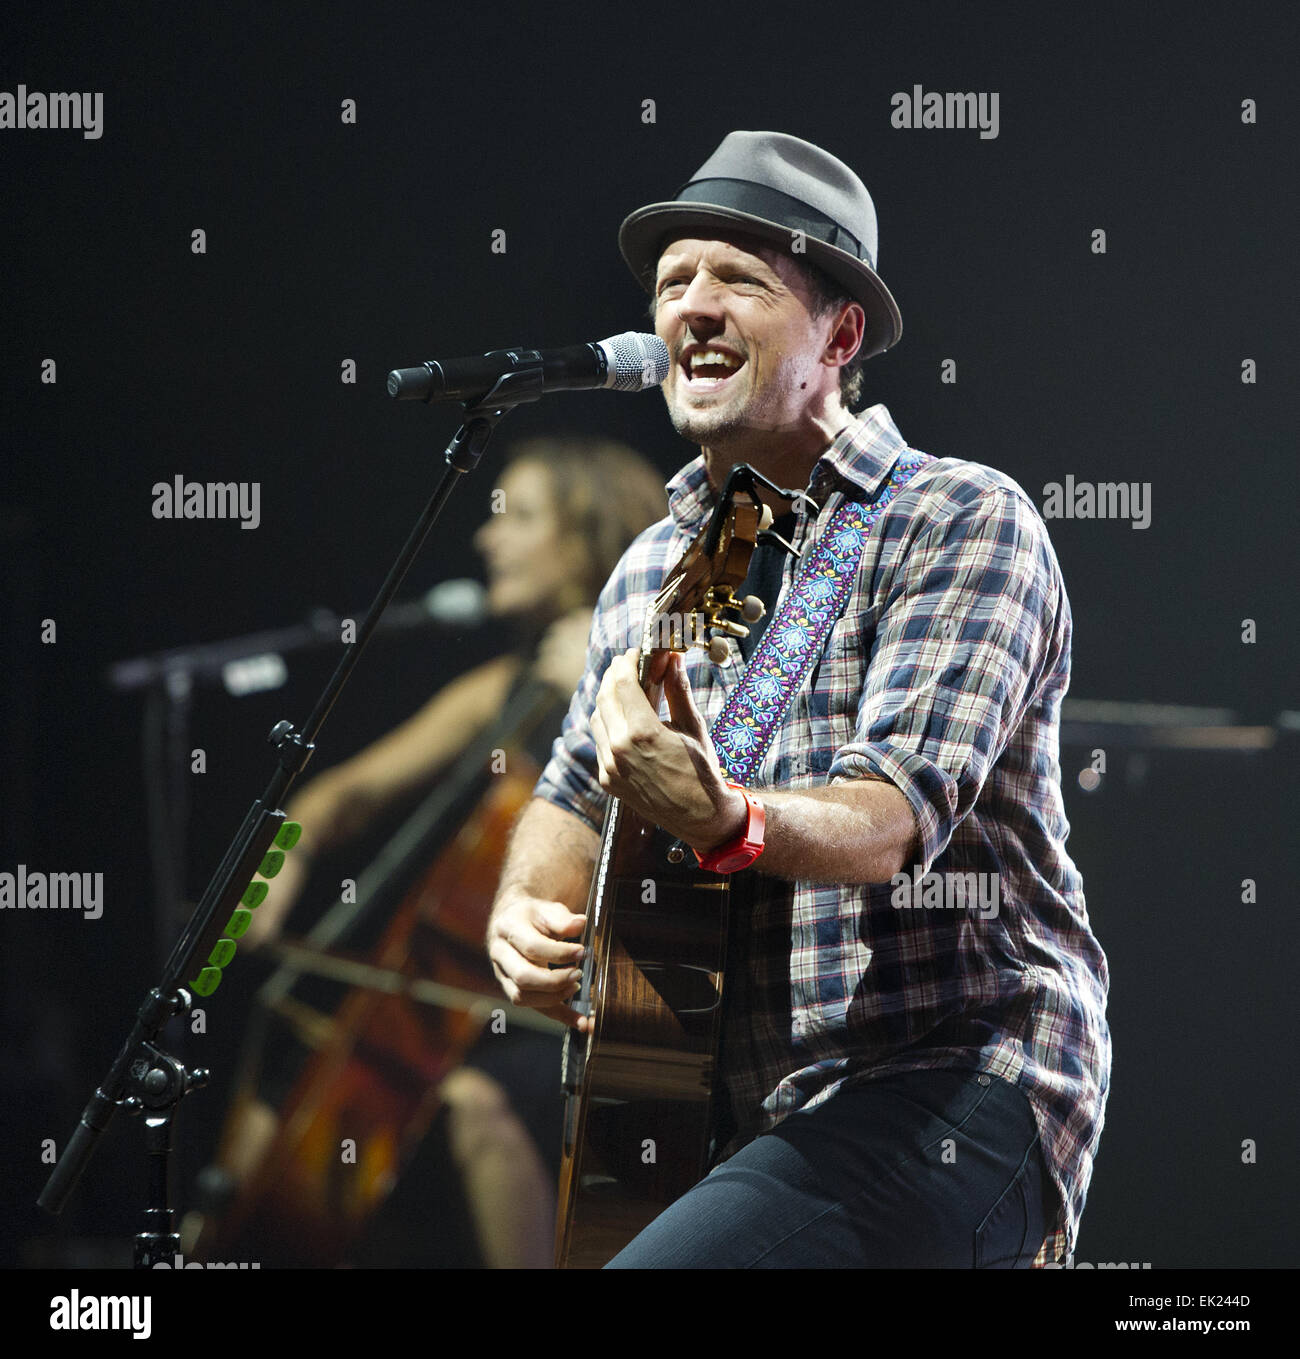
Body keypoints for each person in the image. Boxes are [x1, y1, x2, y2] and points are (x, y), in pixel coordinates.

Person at [485, 131, 1111, 1268]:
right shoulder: (653, 569)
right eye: (673, 282)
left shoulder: (955, 519)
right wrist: (524, 904)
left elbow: (891, 818)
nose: (692, 306)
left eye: (739, 279)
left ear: (840, 336)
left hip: (946, 1079)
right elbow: (572, 793)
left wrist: (727, 818)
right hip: (712, 1114)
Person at [206, 435, 667, 1268]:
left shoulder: (662, 675)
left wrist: (601, 681)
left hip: (596, 1012)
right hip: (473, 1011)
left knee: (477, 1102)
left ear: (586, 538)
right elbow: (336, 798)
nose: (488, 537)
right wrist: (282, 868)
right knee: (282, 1099)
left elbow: (679, 839)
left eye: (518, 516)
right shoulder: (502, 688)